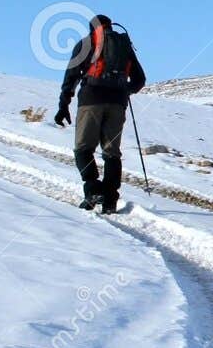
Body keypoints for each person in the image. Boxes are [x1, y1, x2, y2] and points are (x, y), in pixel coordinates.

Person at [55, 13, 147, 214]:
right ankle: (110, 200)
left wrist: (63, 105)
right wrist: (124, 89)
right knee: (111, 152)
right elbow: (140, 79)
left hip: (91, 100)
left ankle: (93, 190)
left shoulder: (86, 43)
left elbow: (71, 76)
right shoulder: (124, 46)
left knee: (83, 148)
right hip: (117, 104)